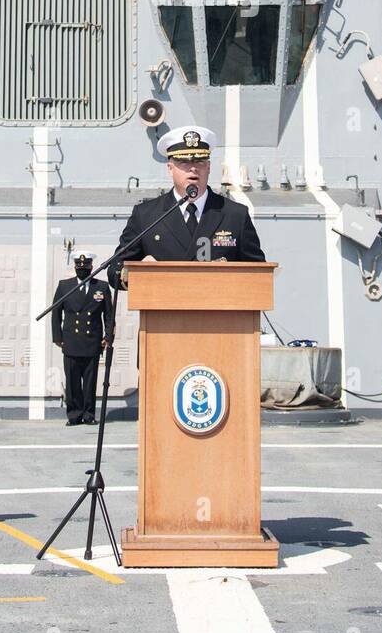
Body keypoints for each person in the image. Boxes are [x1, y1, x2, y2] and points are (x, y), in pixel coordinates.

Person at [108, 125, 264, 288]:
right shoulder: (146, 215)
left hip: (218, 309)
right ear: (170, 168)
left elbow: (258, 272)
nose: (193, 168)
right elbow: (114, 270)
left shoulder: (235, 215)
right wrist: (134, 272)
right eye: (184, 162)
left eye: (199, 161)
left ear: (209, 167)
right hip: (164, 310)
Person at [51, 254, 114, 426]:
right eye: (79, 267)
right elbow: (56, 312)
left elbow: (109, 315)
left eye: (85, 267)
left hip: (92, 342)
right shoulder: (65, 286)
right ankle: (74, 415)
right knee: (72, 382)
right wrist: (58, 337)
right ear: (75, 268)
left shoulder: (101, 287)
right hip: (71, 341)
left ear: (91, 268)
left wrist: (108, 336)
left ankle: (89, 414)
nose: (82, 269)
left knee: (90, 382)